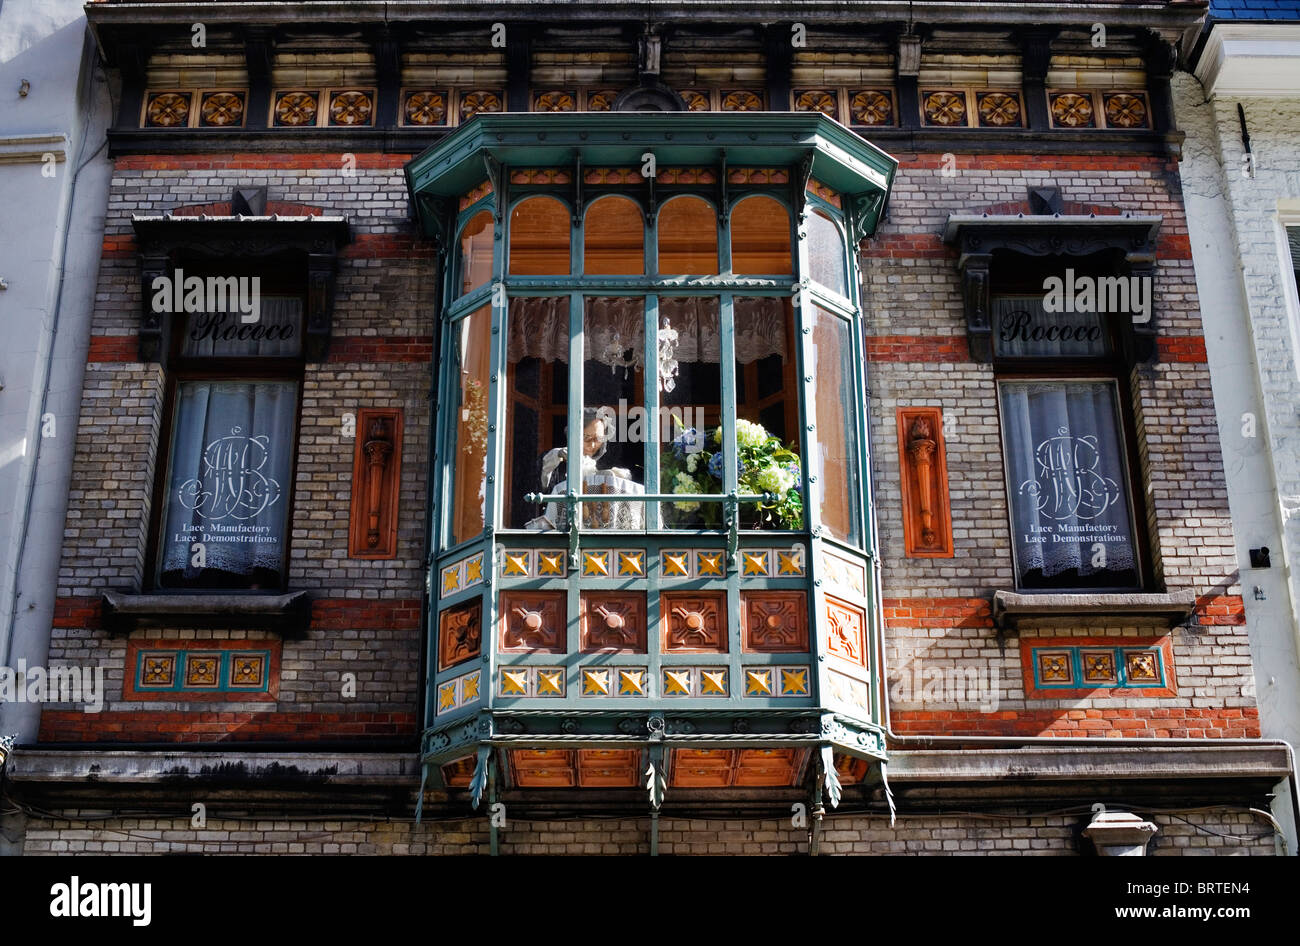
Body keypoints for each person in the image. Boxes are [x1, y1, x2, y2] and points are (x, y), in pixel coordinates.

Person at [527, 408, 644, 530]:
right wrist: (557, 455)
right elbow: (541, 485)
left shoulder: (604, 462)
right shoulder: (556, 460)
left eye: (598, 439)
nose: (593, 445)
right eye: (587, 438)